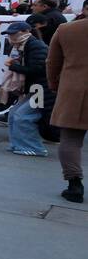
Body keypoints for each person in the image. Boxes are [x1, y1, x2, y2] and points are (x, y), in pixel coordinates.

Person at [47, 11, 87, 202]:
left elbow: (52, 62)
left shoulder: (67, 29)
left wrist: (54, 84)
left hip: (75, 89)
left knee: (71, 139)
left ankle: (74, 184)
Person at [0, 21, 49, 157]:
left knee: (23, 116)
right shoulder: (22, 46)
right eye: (10, 34)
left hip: (42, 88)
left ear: (25, 32)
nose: (11, 37)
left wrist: (13, 66)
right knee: (14, 114)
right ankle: (18, 144)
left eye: (14, 33)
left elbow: (37, 69)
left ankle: (34, 148)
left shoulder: (35, 46)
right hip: (35, 87)